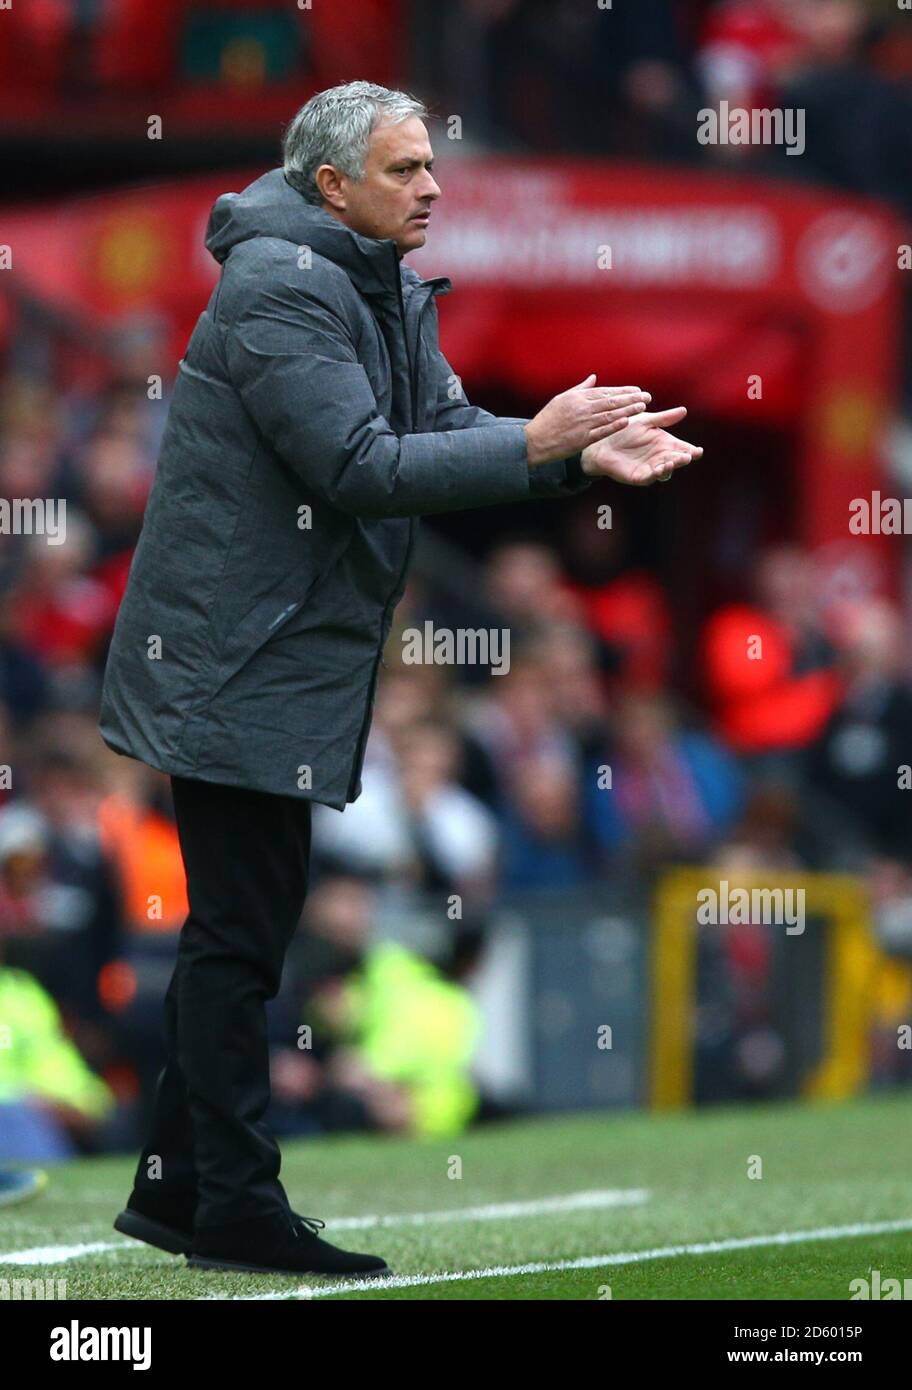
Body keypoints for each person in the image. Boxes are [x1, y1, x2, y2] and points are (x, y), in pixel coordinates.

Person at [97, 79, 702, 1280]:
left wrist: (566, 451)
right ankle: (233, 1206)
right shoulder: (278, 286)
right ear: (332, 185)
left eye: (431, 165)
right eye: (404, 169)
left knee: (245, 927)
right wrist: (540, 445)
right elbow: (362, 465)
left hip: (275, 655)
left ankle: (177, 1184)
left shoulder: (371, 278)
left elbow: (444, 426)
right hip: (230, 657)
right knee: (239, 934)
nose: (431, 187)